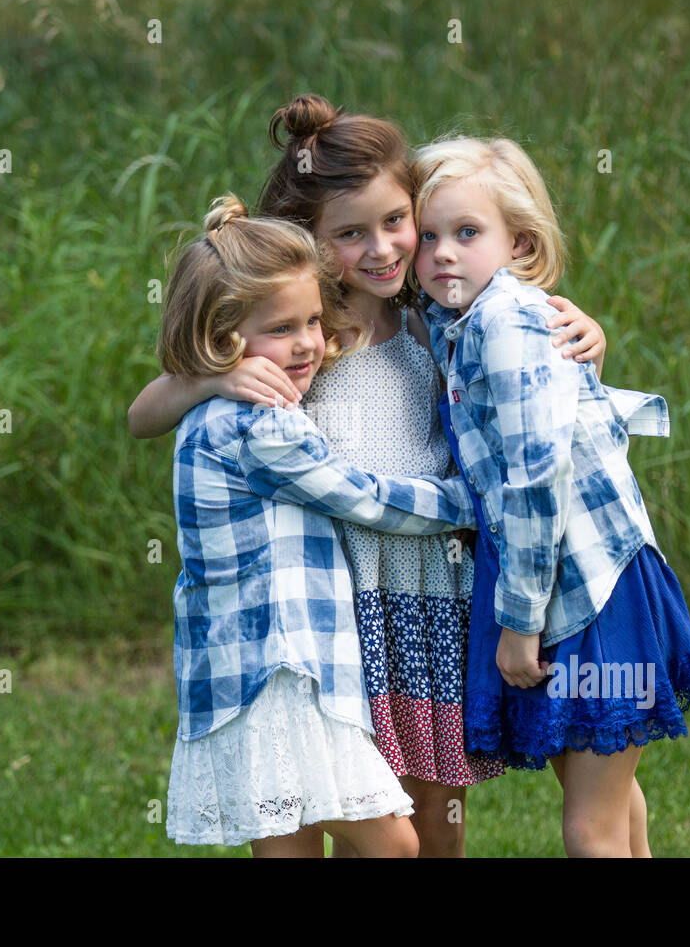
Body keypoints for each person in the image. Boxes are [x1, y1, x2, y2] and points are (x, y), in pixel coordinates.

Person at [130, 95, 609, 857]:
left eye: (396, 221)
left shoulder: (435, 320)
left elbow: (524, 362)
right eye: (350, 234)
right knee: (363, 818)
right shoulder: (299, 338)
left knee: (435, 825)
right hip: (344, 613)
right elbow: (145, 412)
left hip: (435, 599)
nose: (383, 247)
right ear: (311, 243)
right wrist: (209, 381)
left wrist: (584, 330)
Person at [413, 135, 690, 857]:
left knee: (591, 823)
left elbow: (537, 477)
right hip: (570, 577)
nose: (443, 253)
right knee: (610, 799)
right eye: (427, 236)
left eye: (466, 233)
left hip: (586, 586)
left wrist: (518, 623)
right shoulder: (460, 320)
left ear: (519, 242)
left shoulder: (505, 322)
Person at [159, 193, 482, 857]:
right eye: (284, 329)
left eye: (313, 320)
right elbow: (364, 499)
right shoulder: (262, 425)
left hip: (232, 674)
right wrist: (470, 500)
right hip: (285, 674)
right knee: (396, 846)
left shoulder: (206, 415)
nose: (309, 342)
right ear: (224, 340)